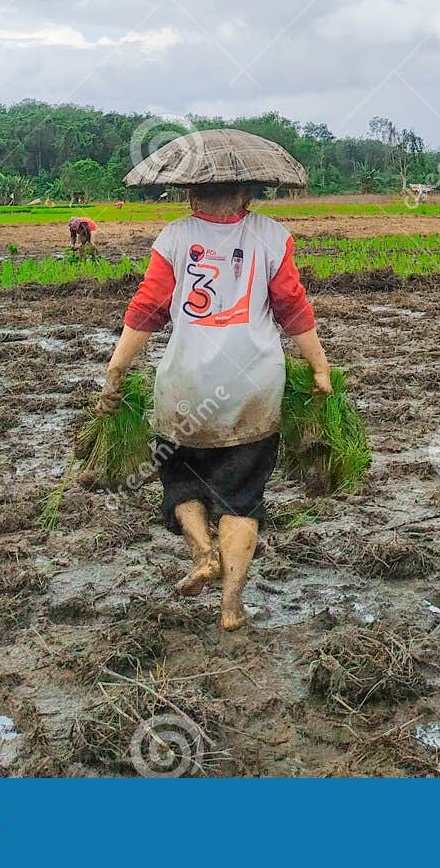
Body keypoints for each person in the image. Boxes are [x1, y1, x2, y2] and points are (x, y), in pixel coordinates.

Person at [97, 181, 331, 632]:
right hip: (252, 391)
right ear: (248, 195)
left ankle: (203, 553)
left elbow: (148, 307)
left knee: (180, 481)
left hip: (185, 389)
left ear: (190, 195)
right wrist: (319, 366)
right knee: (242, 498)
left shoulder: (174, 238)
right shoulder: (272, 236)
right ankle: (231, 605)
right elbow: (292, 307)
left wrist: (116, 369)